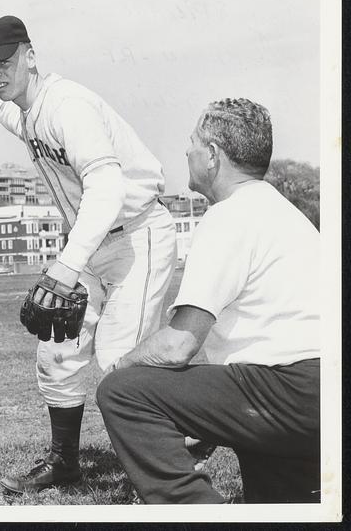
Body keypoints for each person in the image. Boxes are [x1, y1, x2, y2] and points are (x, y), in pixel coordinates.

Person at [0, 15, 177, 494]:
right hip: (94, 242)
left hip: (136, 237)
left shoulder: (68, 105)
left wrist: (65, 266)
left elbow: (106, 186)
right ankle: (64, 462)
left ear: (31, 55)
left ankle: (166, 459)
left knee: (123, 361)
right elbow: (18, 121)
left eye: (6, 61)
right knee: (57, 351)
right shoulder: (35, 109)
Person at [96, 98, 321, 504]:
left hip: (288, 387)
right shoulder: (286, 213)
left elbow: (178, 345)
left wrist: (119, 366)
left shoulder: (229, 215)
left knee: (123, 392)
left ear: (213, 156)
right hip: (317, 394)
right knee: (280, 505)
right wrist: (214, 419)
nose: (186, 151)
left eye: (193, 141)